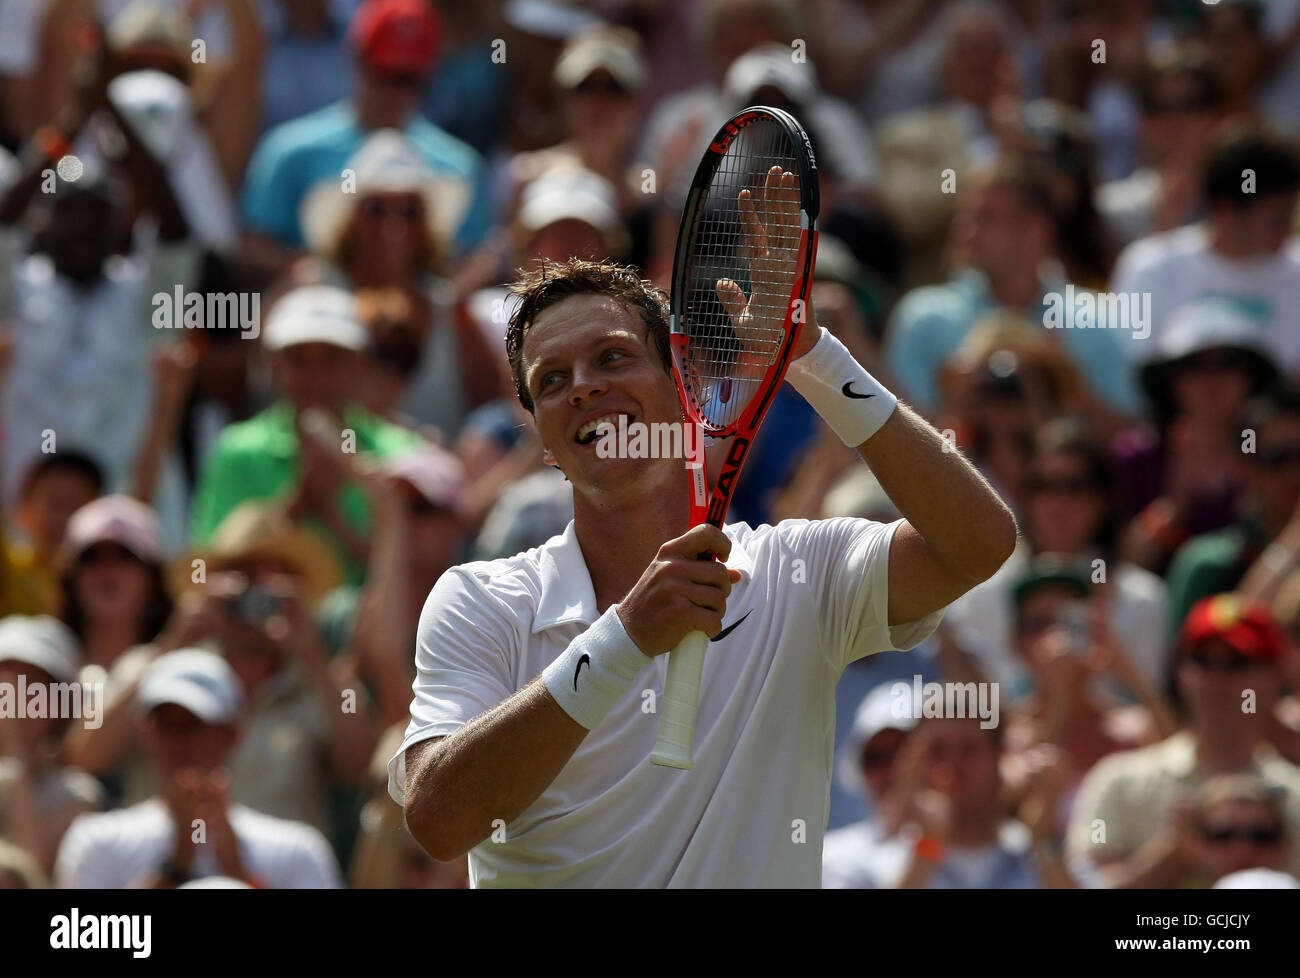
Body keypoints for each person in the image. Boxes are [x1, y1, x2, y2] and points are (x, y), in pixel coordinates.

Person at [392, 256, 1017, 887]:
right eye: (552, 381)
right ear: (545, 444)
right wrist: (626, 638)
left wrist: (814, 357)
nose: (582, 386)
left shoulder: (797, 570)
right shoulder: (479, 600)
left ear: (683, 386)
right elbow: (440, 821)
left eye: (611, 358)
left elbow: (978, 542)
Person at [239, 0, 492, 279]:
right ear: (357, 60)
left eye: (408, 78)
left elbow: (474, 255)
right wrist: (309, 275)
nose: (394, 92)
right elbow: (251, 243)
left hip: (419, 317)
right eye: (383, 72)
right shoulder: (289, 150)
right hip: (317, 314)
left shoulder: (460, 167)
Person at [188, 285, 422, 584]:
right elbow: (212, 570)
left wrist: (330, 513)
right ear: (273, 366)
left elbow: (417, 583)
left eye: (332, 359)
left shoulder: (401, 454)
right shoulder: (237, 451)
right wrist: (300, 500)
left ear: (360, 364)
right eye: (298, 359)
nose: (316, 376)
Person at [54, 647, 342, 887]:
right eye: (165, 725)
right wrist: (175, 865)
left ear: (231, 734)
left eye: (193, 725)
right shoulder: (96, 841)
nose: (178, 741)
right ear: (144, 734)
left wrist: (236, 871)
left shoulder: (298, 849)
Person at [1065, 593, 1300, 887]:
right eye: (1203, 661)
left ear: (1275, 676)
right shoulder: (1121, 781)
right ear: (1181, 672)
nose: (1217, 680)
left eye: (1236, 663)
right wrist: (1172, 853)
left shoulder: (1295, 796)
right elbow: (1082, 884)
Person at [1110, 127, 1300, 372]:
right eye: (1276, 221)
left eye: (1290, 216)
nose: (1287, 232)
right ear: (1225, 212)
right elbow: (1130, 370)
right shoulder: (1149, 267)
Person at [1165, 387, 1300, 630]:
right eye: (1276, 457)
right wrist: (1292, 543)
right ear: (1245, 466)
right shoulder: (1207, 565)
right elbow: (1222, 643)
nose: (1293, 472)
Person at [0, 615, 105, 876]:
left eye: (33, 690)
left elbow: (28, 872)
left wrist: (14, 756)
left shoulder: (77, 797)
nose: (15, 702)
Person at [822, 681, 918, 888]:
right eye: (875, 758)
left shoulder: (982, 842)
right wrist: (929, 850)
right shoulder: (834, 856)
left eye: (901, 753)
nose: (891, 771)